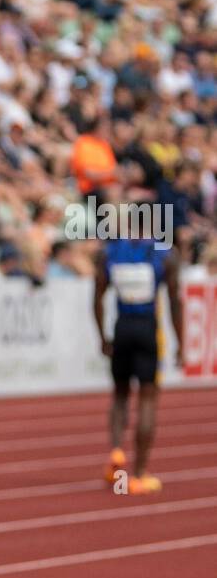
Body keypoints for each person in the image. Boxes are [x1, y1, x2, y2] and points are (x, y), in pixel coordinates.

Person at [93, 191, 184, 494]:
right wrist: (181, 343)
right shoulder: (164, 254)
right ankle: (141, 473)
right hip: (147, 328)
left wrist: (102, 336)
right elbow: (174, 302)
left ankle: (117, 450)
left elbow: (96, 297)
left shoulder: (109, 252)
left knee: (120, 395)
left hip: (122, 326)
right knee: (147, 398)